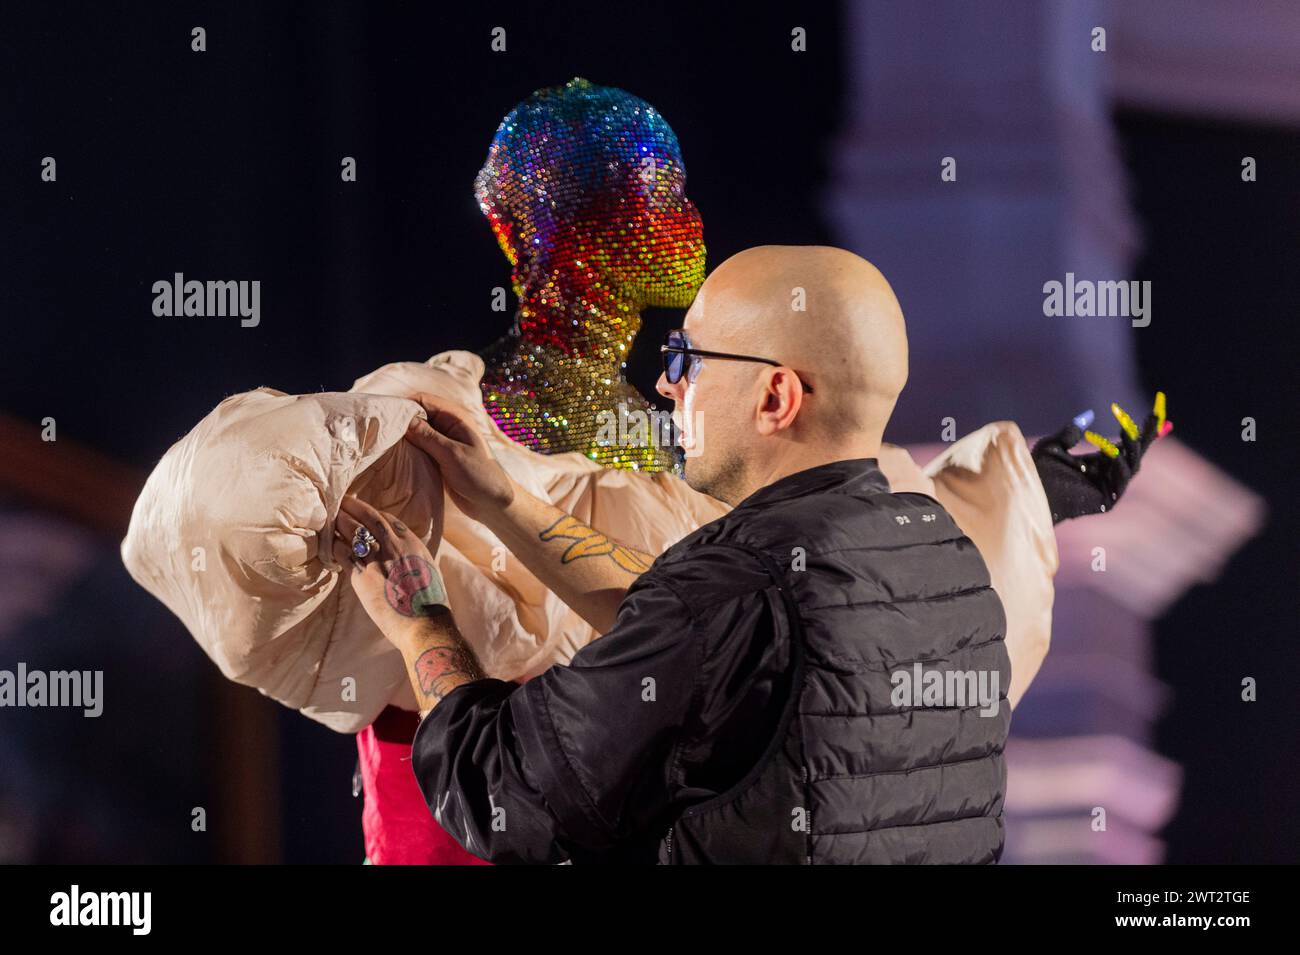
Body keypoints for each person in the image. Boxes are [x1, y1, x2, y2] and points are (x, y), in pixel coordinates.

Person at [337, 245, 1164, 864]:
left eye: (685, 359)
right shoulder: (945, 562)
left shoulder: (735, 590)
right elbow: (684, 632)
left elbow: (500, 791)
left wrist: (423, 625)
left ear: (776, 394)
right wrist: (506, 503)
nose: (667, 385)